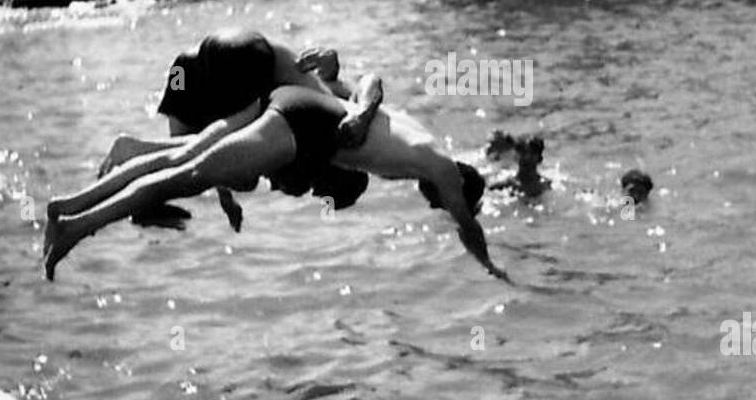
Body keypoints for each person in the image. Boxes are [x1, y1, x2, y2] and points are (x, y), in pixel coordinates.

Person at [42, 84, 505, 281]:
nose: (438, 208)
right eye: (444, 204)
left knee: (189, 162)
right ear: (457, 189)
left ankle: (69, 206)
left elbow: (366, 80)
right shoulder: (438, 164)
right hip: (302, 124)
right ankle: (75, 227)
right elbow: (468, 227)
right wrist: (490, 268)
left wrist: (359, 107)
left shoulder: (418, 142)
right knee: (187, 176)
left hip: (302, 110)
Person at [97, 29, 383, 233]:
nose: (314, 190)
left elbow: (224, 153)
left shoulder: (312, 111)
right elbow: (371, 80)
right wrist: (364, 116)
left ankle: (140, 197)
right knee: (235, 169)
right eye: (322, 190)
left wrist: (225, 197)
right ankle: (130, 150)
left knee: (185, 163)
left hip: (185, 69)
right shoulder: (339, 122)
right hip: (240, 56)